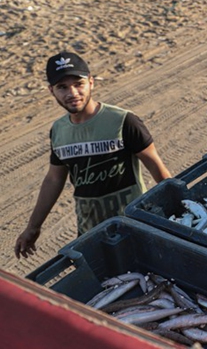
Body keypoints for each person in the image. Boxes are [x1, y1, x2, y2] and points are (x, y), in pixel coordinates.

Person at [14, 52, 171, 258]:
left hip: (134, 223)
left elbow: (157, 169)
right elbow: (54, 179)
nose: (72, 93)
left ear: (91, 82)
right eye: (62, 87)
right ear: (52, 91)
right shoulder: (59, 130)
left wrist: (174, 210)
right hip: (90, 231)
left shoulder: (123, 121)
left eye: (78, 84)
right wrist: (33, 227)